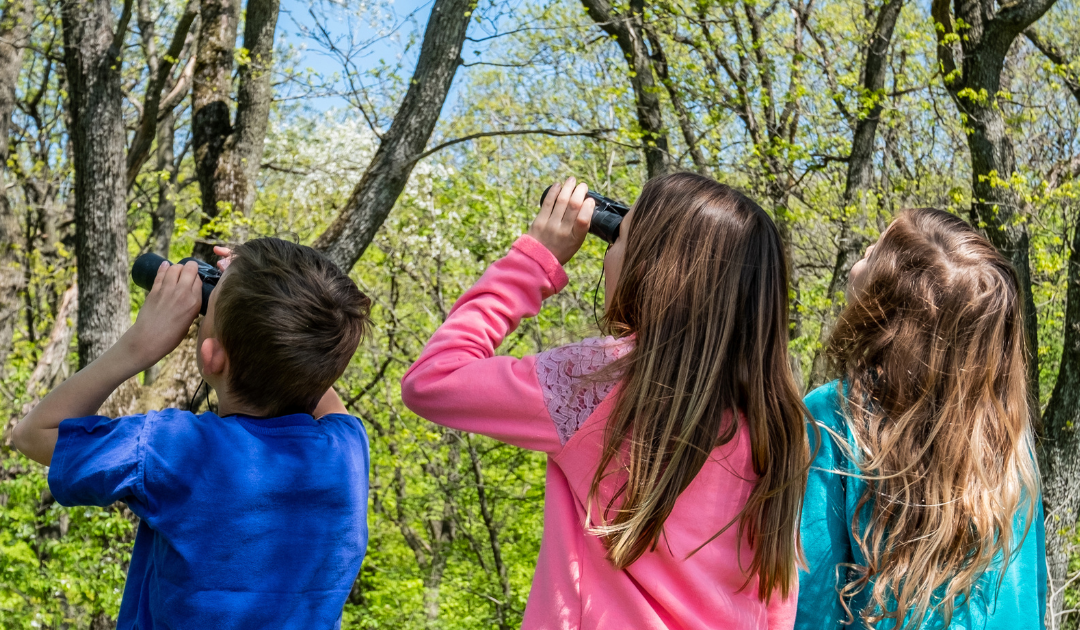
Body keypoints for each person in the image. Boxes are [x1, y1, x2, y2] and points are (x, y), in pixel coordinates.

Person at [401, 173, 810, 629]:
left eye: (618, 239)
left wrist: (534, 261)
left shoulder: (601, 382)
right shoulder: (779, 423)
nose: (609, 252)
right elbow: (776, 598)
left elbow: (433, 379)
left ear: (652, 270)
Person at [12, 238, 372, 629]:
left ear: (211, 356)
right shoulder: (346, 453)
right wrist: (262, 291)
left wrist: (139, 345)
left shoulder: (176, 449)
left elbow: (32, 435)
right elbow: (313, 366)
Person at [796, 208, 1046, 630]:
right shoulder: (1008, 437)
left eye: (873, 251)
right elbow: (1030, 596)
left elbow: (811, 602)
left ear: (886, 306)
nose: (861, 256)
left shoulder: (833, 417)